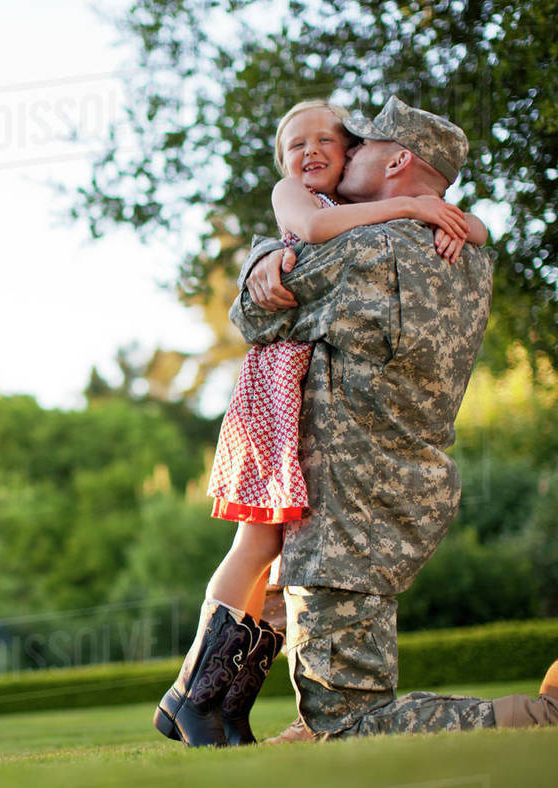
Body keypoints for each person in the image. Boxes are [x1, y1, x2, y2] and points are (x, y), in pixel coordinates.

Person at [232, 96, 558, 741]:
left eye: (361, 145)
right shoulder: (464, 253)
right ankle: (307, 724)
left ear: (397, 159)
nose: (345, 153)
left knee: (348, 726)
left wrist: (263, 259)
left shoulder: (373, 246)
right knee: (327, 704)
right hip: (398, 491)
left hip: (345, 508)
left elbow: (257, 314)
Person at [156, 98, 487, 748]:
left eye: (342, 145)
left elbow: (260, 309)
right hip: (324, 430)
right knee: (261, 551)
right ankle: (200, 701)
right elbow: (302, 233)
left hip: (310, 423)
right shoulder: (408, 236)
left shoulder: (365, 231)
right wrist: (422, 208)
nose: (318, 155)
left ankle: (210, 701)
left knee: (270, 555)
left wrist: (446, 216)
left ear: (385, 159)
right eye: (295, 146)